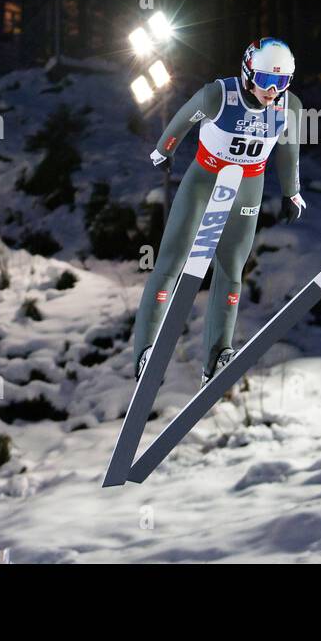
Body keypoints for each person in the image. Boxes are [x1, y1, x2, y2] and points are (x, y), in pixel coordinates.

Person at [132, 37, 306, 385]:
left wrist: (291, 192)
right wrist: (164, 150)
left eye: (282, 82)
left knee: (231, 270)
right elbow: (183, 118)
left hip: (247, 187)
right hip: (204, 180)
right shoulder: (219, 95)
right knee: (172, 261)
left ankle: (218, 354)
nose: (273, 91)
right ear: (247, 72)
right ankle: (147, 350)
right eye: (266, 81)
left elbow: (288, 151)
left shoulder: (289, 108)